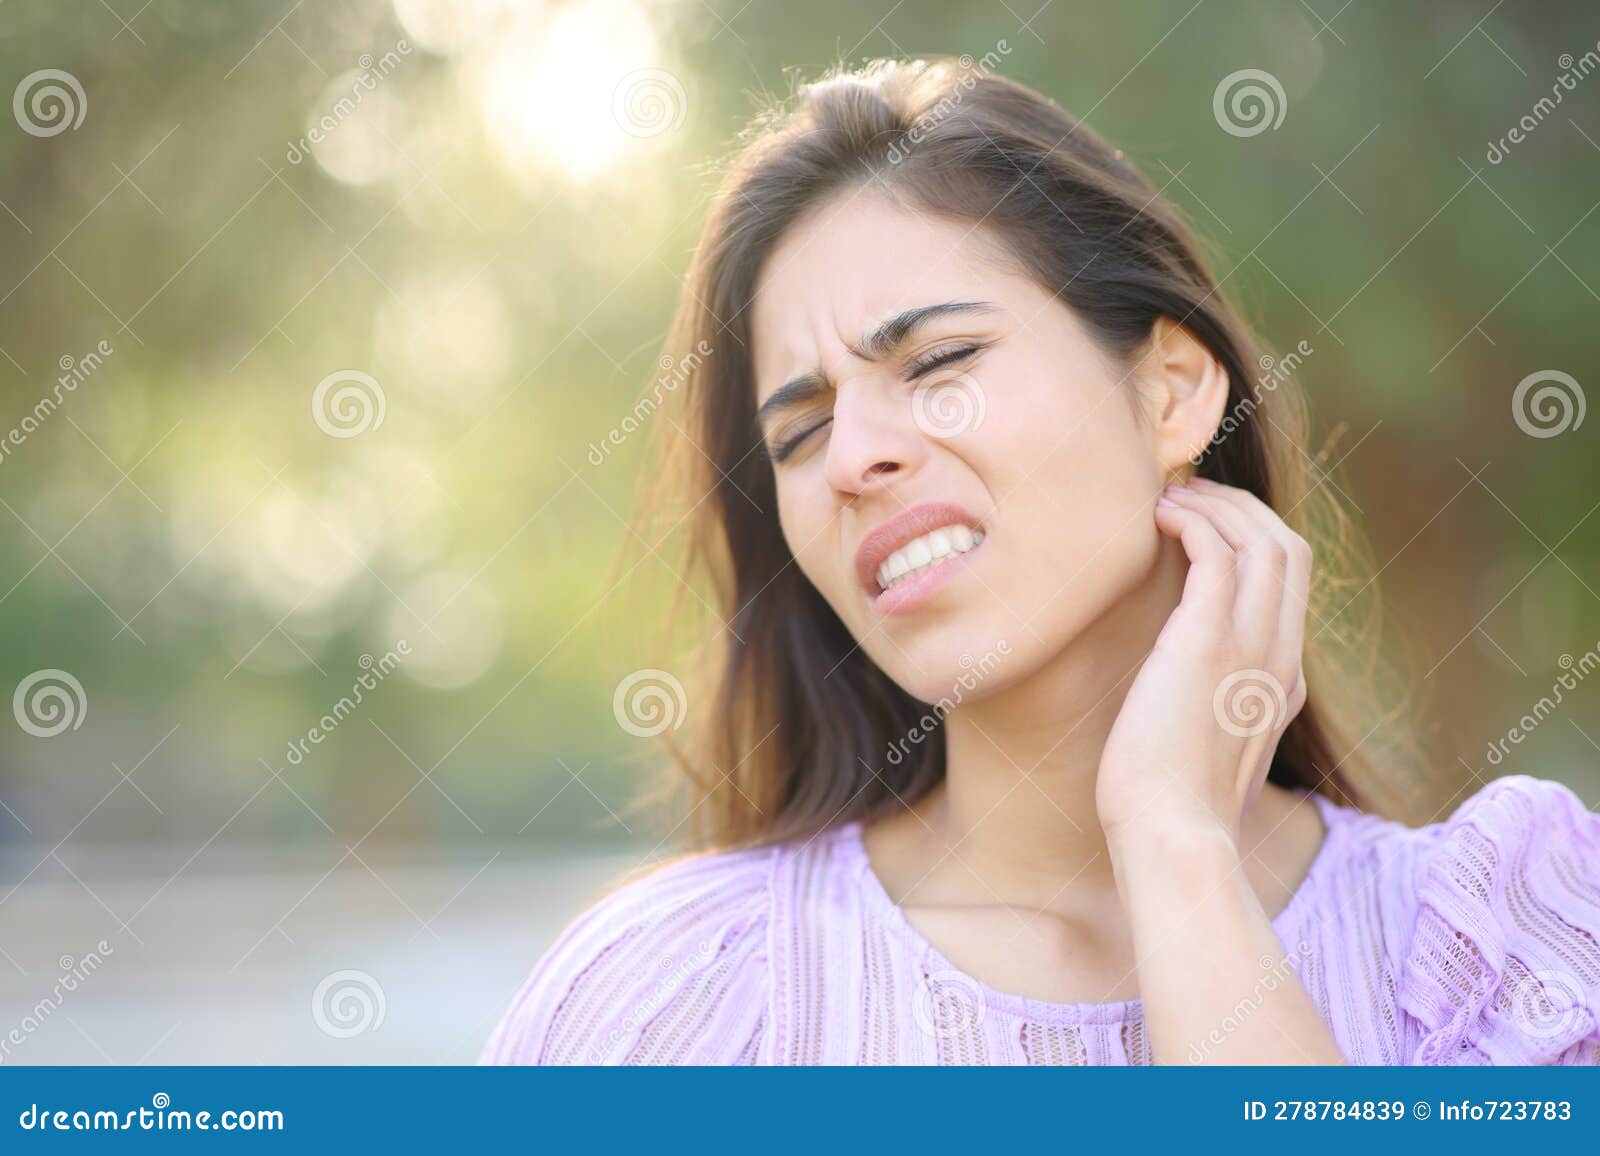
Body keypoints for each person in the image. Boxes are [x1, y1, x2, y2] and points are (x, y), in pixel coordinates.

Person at [481, 58, 1600, 1065]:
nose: (857, 455)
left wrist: (1173, 840)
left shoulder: (1510, 947)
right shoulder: (670, 1004)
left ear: (1170, 391)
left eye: (940, 359)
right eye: (800, 430)